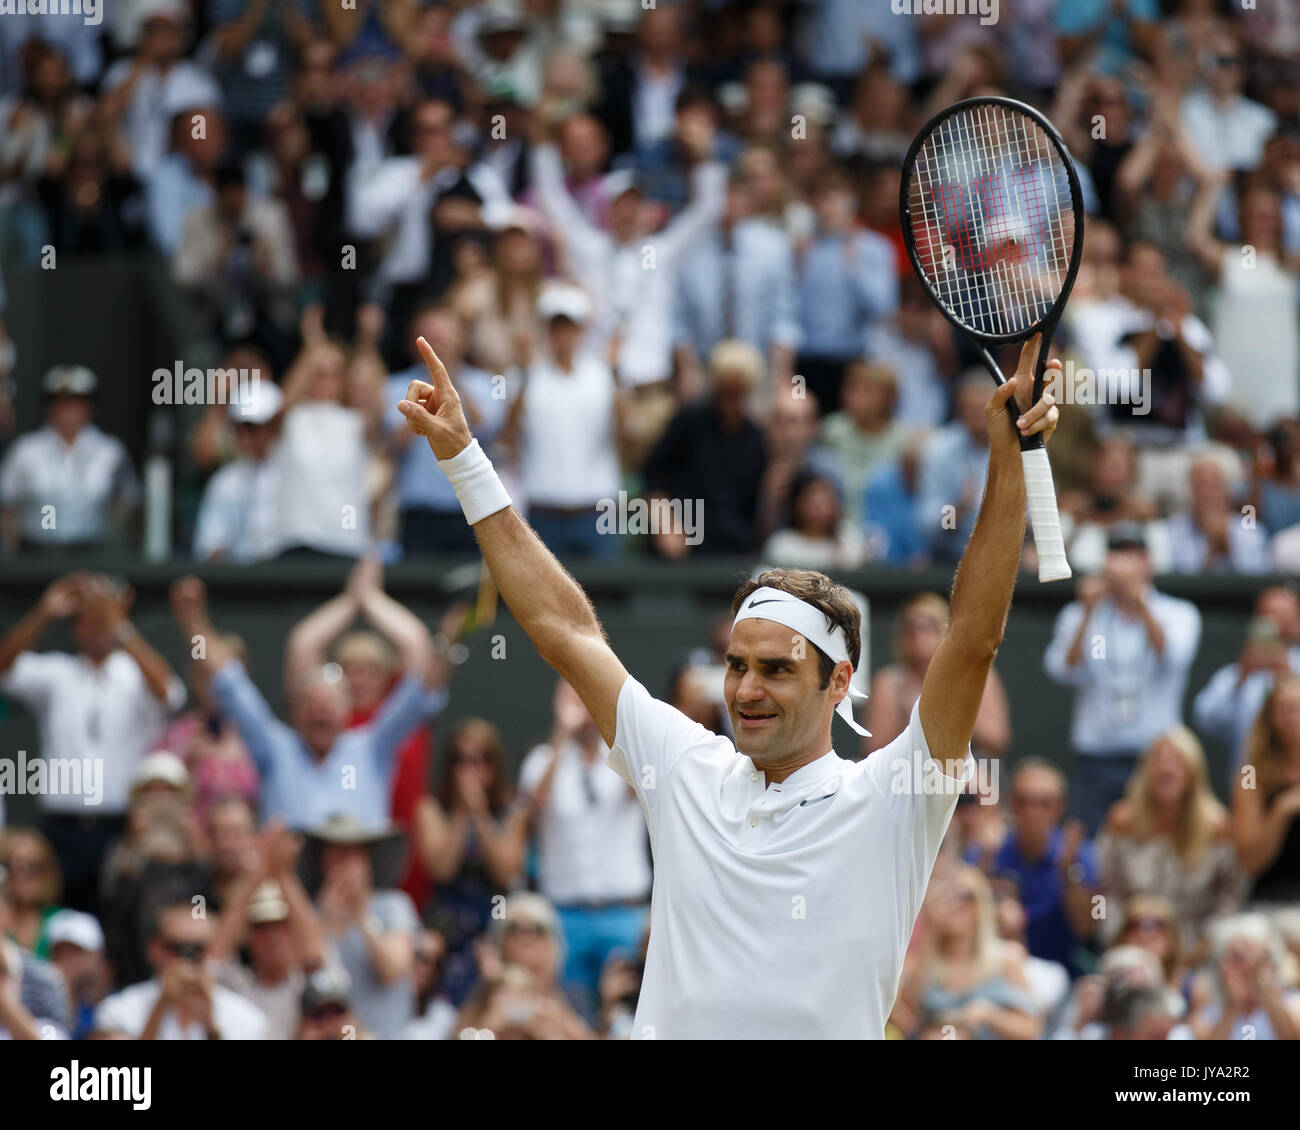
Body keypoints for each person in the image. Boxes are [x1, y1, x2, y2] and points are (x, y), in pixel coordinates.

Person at [395, 328, 1061, 1038]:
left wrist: (1007, 459)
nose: (745, 689)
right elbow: (566, 630)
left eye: (777, 670)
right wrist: (466, 460)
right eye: (738, 664)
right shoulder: (686, 764)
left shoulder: (895, 797)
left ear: (838, 682)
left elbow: (971, 641)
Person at [169, 575, 448, 830]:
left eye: (328, 705)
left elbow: (420, 692)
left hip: (364, 883)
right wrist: (193, 623)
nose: (320, 713)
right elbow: (229, 682)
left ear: (346, 711)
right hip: (283, 881)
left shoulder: (372, 747)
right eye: (311, 705)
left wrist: (453, 640)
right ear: (295, 710)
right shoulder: (275, 748)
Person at [0, 572, 185, 912]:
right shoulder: (57, 674)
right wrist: (44, 612)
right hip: (61, 826)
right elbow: (3, 668)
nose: (95, 628)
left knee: (119, 918)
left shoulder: (135, 674)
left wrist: (121, 627)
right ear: (74, 628)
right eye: (87, 620)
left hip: (121, 826)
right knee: (55, 917)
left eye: (102, 620)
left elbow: (169, 693)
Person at [1043, 523, 1202, 835]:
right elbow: (1062, 670)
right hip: (1096, 761)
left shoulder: (1179, 612)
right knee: (1089, 856)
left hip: (1156, 761)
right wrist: (1088, 612)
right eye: (1118, 554)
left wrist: (1139, 601)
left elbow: (1173, 656)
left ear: (1149, 563)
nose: (1125, 564)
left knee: (1155, 849)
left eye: (1134, 555)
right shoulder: (1079, 614)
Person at [518, 679, 650, 1019]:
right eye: (571, 696)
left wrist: (606, 716)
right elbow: (534, 807)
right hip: (564, 916)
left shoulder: (622, 755)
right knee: (568, 1015)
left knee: (628, 1014)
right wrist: (563, 731)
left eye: (586, 694)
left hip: (623, 914)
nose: (581, 706)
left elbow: (642, 789)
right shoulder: (542, 758)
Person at [1095, 727, 1243, 964]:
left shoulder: (1217, 827)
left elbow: (1231, 897)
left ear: (1193, 772)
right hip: (1129, 944)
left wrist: (1205, 945)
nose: (1167, 769)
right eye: (1159, 761)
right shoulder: (1121, 821)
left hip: (1197, 952)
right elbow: (1102, 893)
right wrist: (1113, 937)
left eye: (1177, 761)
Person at [416, 718, 528, 1007]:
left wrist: (479, 815)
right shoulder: (431, 808)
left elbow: (506, 873)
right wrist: (461, 814)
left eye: (480, 760)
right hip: (447, 927)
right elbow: (441, 869)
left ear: (494, 766)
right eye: (460, 760)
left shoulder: (513, 809)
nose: (469, 770)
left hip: (494, 921)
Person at [965, 760, 1099, 981]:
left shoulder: (1080, 853)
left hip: (1062, 972)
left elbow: (1089, 924)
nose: (1032, 812)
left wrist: (1069, 872)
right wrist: (985, 862)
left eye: (1044, 803)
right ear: (1011, 805)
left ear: (1060, 807)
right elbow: (965, 914)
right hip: (995, 971)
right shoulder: (988, 850)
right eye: (1023, 802)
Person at [0, 365, 140, 554]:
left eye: (75, 403)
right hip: (36, 552)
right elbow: (7, 503)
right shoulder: (26, 450)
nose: (67, 411)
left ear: (88, 407)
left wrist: (113, 536)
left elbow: (129, 500)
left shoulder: (109, 451)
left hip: (93, 551)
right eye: (60, 403)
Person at [894, 865, 1043, 1040]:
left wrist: (990, 1015)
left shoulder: (1005, 959)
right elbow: (907, 1008)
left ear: (981, 904)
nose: (955, 904)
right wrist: (931, 931)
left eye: (966, 896)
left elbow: (1032, 1029)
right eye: (946, 898)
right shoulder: (921, 962)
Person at [307, 814, 420, 1041]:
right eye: (336, 854)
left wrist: (360, 914)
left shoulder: (394, 906)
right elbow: (309, 969)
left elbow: (392, 971)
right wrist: (326, 922)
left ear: (367, 859)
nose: (344, 864)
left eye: (351, 854)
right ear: (323, 860)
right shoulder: (311, 912)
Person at [94, 896, 268, 1040]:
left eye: (199, 949)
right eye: (177, 948)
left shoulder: (247, 1018)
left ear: (214, 951)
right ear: (154, 949)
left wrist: (210, 1024)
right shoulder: (117, 1011)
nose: (187, 960)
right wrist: (161, 1005)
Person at [865, 593, 1009, 760]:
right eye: (910, 626)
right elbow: (873, 750)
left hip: (971, 768)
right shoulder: (888, 682)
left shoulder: (978, 676)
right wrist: (913, 715)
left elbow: (996, 739)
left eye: (929, 624)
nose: (917, 633)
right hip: (904, 769)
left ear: (948, 631)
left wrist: (955, 708)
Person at [1194, 585, 1300, 775]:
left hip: (1295, 770)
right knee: (1247, 796)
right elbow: (1205, 719)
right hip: (1249, 770)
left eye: (1284, 614)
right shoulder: (1235, 674)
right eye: (1269, 614)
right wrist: (1242, 676)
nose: (1277, 623)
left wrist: (1288, 674)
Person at [192, 378, 285, 562]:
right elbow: (210, 546)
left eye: (253, 427)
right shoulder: (224, 482)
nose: (245, 435)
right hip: (242, 583)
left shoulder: (296, 475)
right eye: (239, 426)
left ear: (275, 425)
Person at [1232, 674, 1300, 906]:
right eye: (1284, 708)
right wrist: (1282, 809)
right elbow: (1250, 862)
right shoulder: (1250, 774)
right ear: (1269, 719)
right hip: (1271, 901)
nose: (1293, 715)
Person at [0, 827, 63, 958]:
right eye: (11, 866)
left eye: (31, 866)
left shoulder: (62, 922)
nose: (21, 875)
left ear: (46, 872)